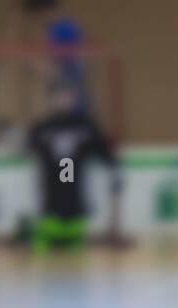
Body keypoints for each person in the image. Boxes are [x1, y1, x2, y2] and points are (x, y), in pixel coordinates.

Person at [26, 82, 121, 252]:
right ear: (51, 100)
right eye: (59, 97)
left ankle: (72, 239)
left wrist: (112, 165)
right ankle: (49, 238)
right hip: (51, 176)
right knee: (52, 205)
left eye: (67, 97)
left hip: (73, 174)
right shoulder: (44, 126)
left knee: (74, 203)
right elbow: (29, 146)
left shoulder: (84, 124)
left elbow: (101, 147)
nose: (63, 101)